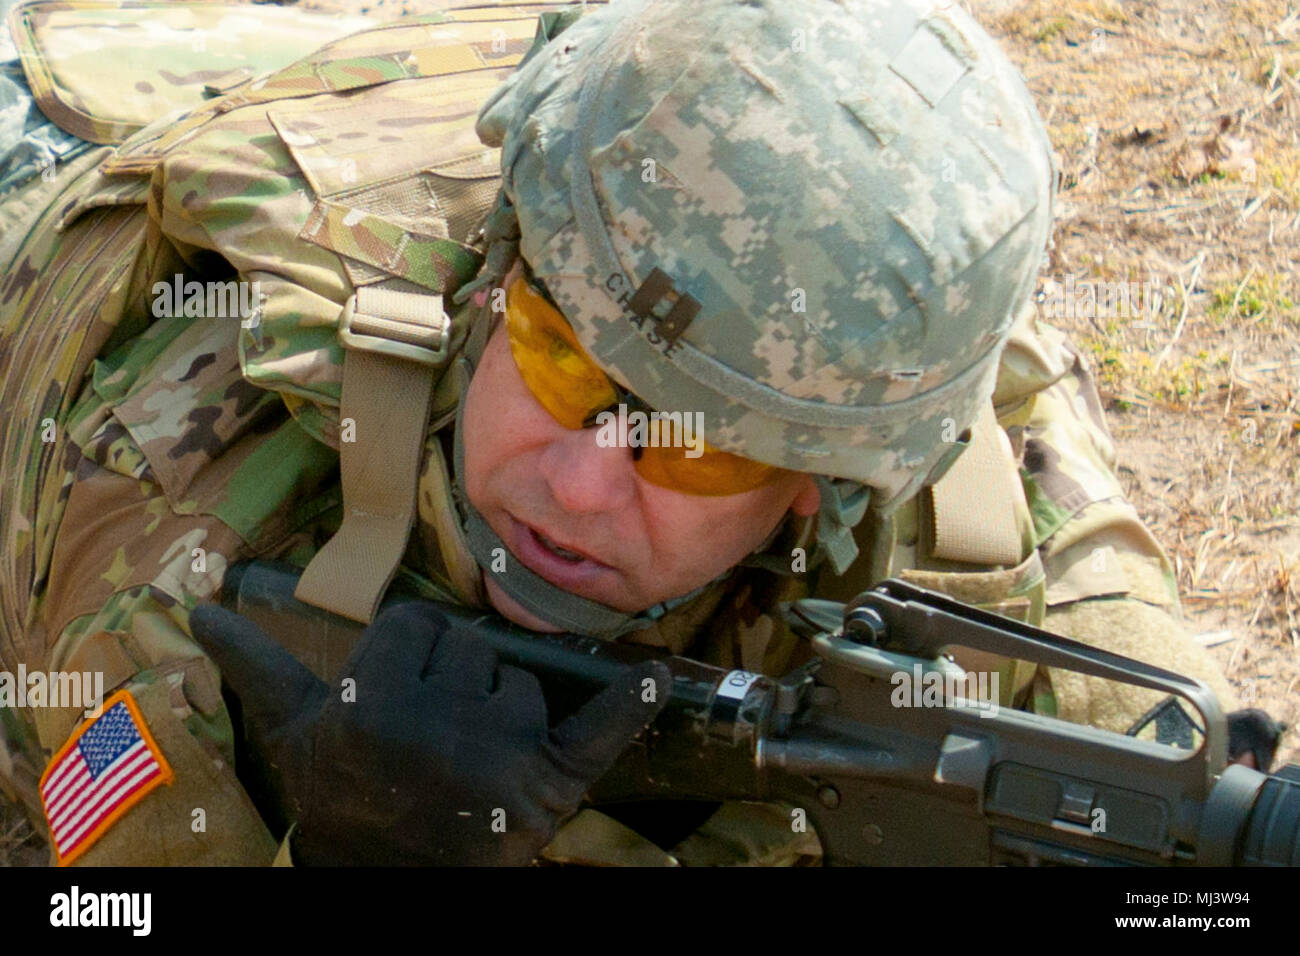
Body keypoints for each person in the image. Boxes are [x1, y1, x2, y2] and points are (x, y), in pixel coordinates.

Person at [0, 0, 1265, 867]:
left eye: (699, 444)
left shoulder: (877, 376)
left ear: (824, 488)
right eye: (558, 359)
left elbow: (1192, 788)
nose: (579, 480)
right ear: (497, 277)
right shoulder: (187, 504)